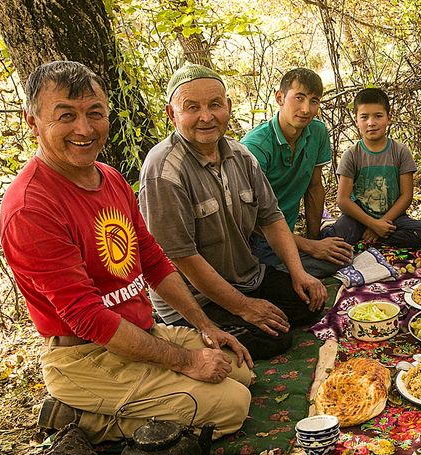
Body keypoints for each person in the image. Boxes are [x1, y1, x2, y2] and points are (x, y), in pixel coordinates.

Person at [0, 61, 254, 443]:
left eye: (95, 114)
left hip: (139, 331)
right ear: (33, 122)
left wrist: (205, 327)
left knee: (238, 369)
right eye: (66, 116)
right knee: (231, 406)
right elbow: (87, 319)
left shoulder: (111, 177)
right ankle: (77, 416)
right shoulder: (31, 207)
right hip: (84, 355)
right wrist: (186, 361)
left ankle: (148, 388)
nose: (84, 129)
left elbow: (152, 260)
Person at [138, 64, 327, 360]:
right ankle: (186, 337)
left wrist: (298, 272)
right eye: (192, 108)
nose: (206, 116)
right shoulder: (164, 170)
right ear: (171, 114)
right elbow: (182, 257)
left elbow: (271, 218)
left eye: (215, 105)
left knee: (309, 304)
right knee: (274, 339)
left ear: (227, 106)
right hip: (195, 300)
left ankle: (248, 310)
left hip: (245, 277)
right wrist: (245, 307)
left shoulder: (240, 155)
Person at [242, 68, 352, 278]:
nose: (306, 109)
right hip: (258, 238)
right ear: (280, 97)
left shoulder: (317, 131)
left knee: (345, 247)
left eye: (314, 101)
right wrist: (310, 247)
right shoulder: (255, 147)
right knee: (326, 265)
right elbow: (251, 219)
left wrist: (315, 239)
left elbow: (314, 188)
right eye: (299, 98)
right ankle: (270, 273)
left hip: (290, 234)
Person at [322, 88, 421, 247]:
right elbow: (343, 200)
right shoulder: (352, 155)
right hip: (358, 218)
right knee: (339, 235)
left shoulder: (400, 152)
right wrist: (372, 224)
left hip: (393, 218)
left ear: (389, 117)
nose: (371, 123)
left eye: (378, 116)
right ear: (356, 121)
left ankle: (374, 239)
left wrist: (381, 224)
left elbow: (406, 195)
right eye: (364, 117)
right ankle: (363, 236)